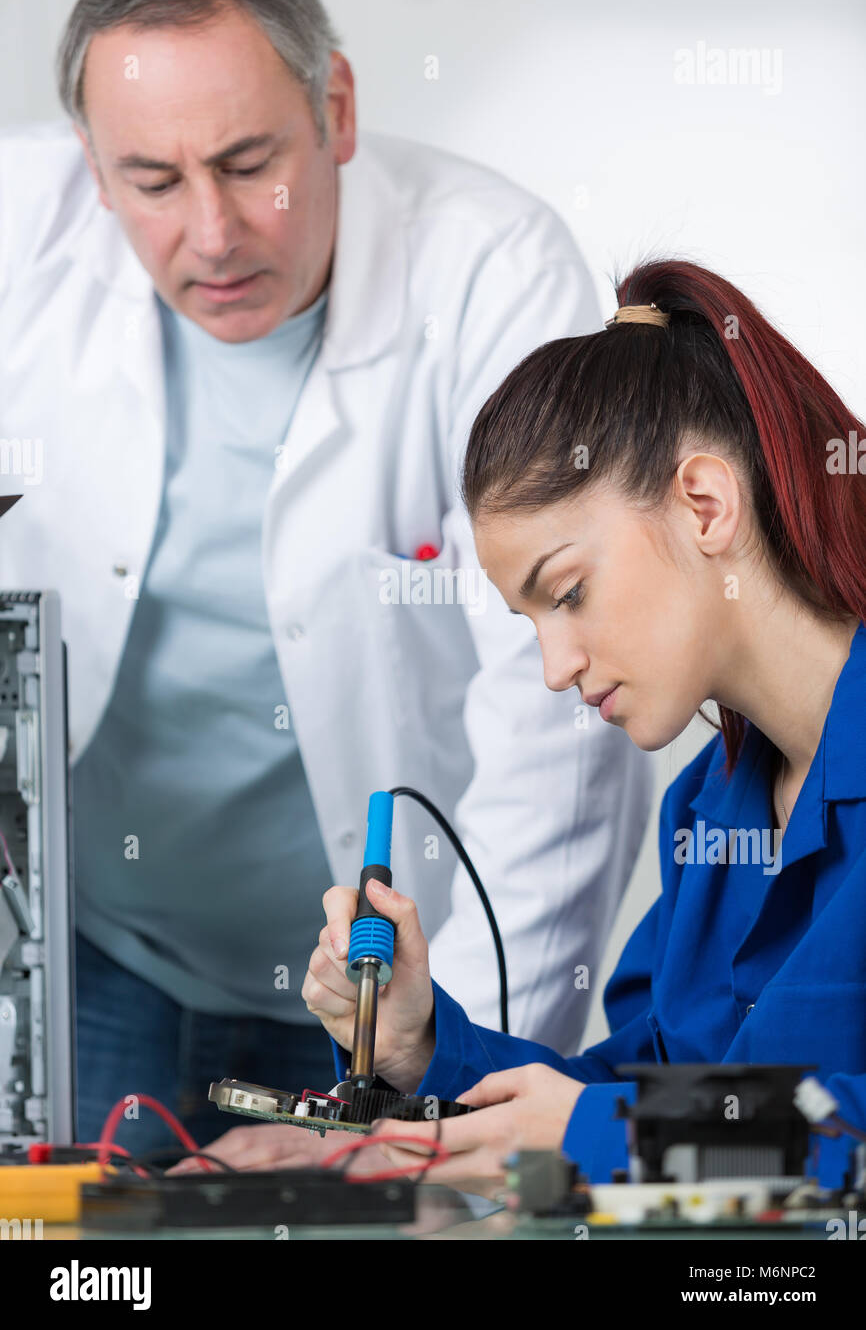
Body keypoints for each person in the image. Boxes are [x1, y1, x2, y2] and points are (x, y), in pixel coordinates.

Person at [0, 0, 651, 1153]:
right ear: (91, 169)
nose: (211, 232)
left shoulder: (491, 273)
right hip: (104, 956)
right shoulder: (13, 236)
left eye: (252, 164)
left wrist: (457, 1095)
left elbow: (553, 722)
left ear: (335, 110)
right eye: (150, 179)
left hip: (402, 990)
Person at [179, 257, 866, 1191]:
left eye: (570, 593)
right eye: (533, 622)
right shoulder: (711, 815)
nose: (555, 668)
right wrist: (420, 1045)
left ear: (705, 504)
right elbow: (648, 1092)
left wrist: (615, 1138)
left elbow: (787, 1141)